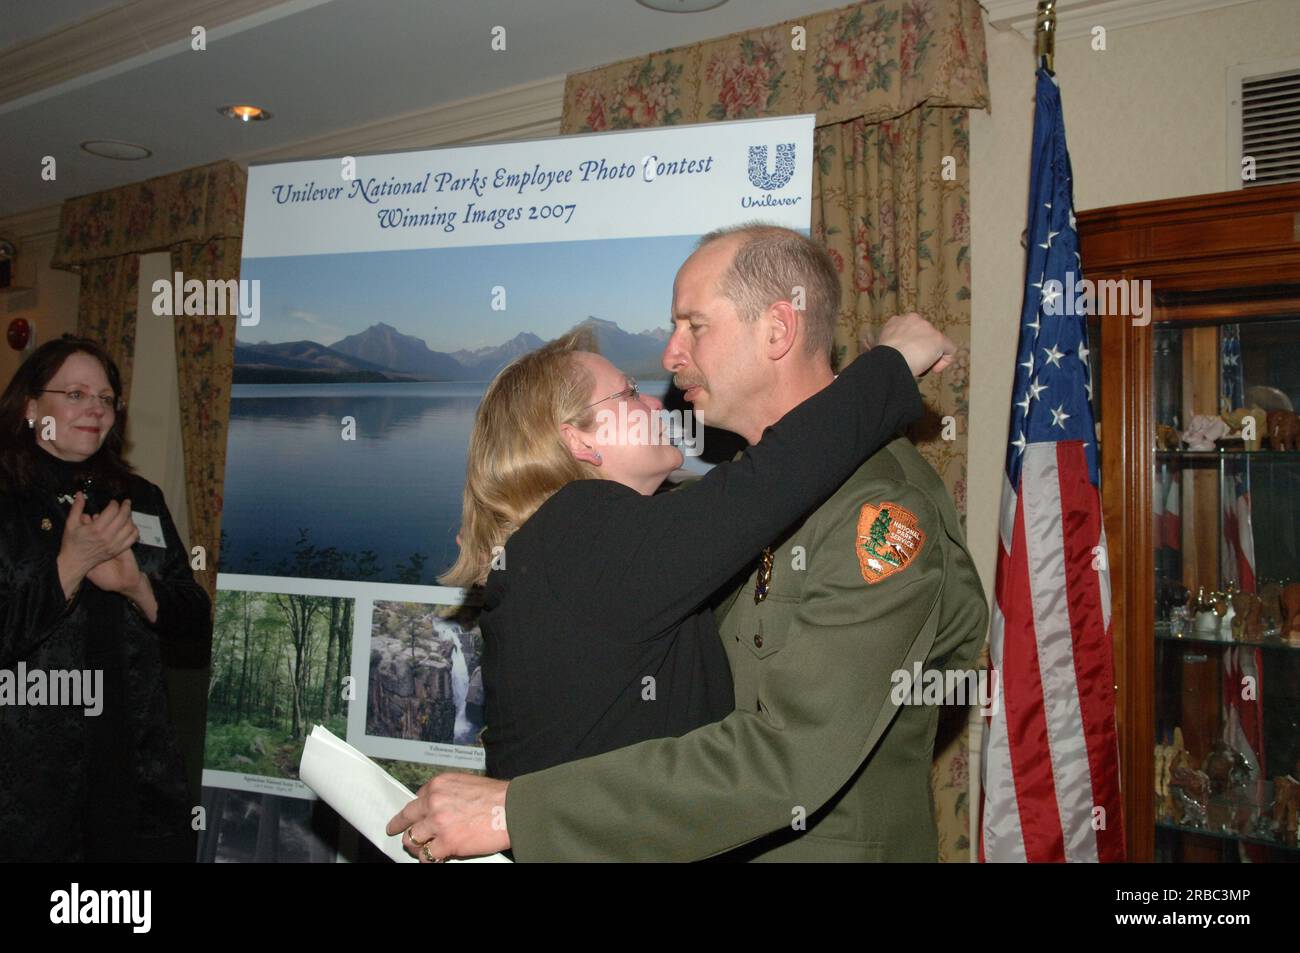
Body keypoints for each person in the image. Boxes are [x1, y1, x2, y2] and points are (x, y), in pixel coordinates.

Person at [392, 224, 988, 862]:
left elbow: (791, 753)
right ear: (580, 442)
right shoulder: (599, 527)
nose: (669, 361)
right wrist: (887, 367)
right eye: (626, 393)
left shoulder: (876, 506)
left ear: (778, 330)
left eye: (694, 326)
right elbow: (769, 482)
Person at [0, 335, 211, 861]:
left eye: (106, 397)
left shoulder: (139, 498)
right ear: (30, 407)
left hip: (133, 758)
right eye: (74, 394)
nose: (95, 408)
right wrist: (70, 567)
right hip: (27, 775)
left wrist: (138, 586)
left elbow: (197, 627)